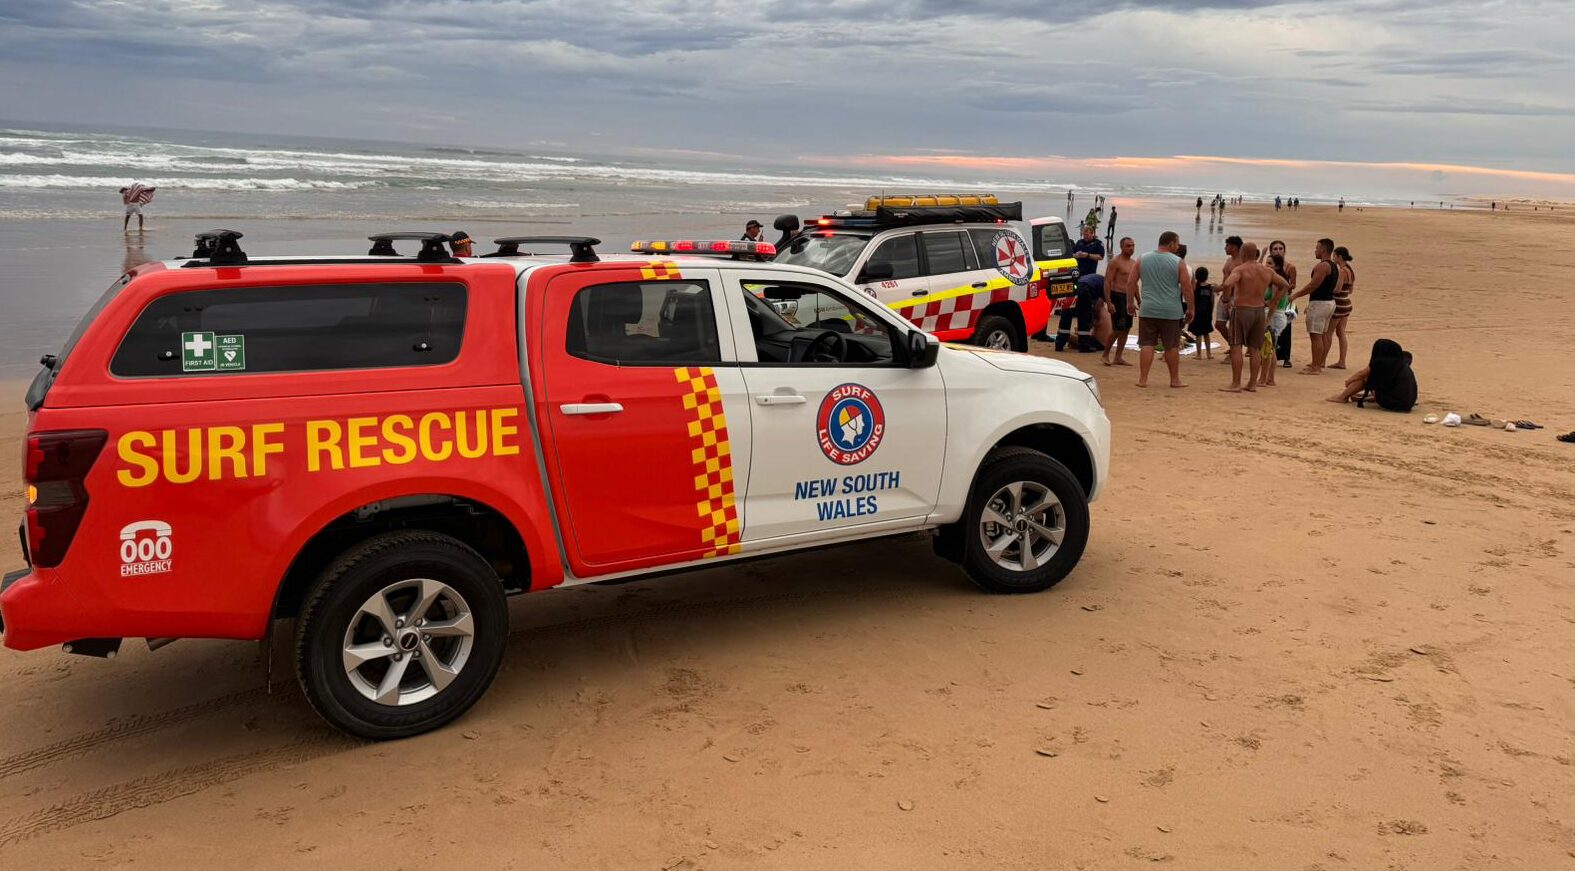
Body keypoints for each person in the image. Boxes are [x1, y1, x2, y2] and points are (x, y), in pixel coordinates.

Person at [1218, 242, 1290, 393]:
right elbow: (1285, 284)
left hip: (1242, 310)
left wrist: (1225, 299)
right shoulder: (1266, 271)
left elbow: (1228, 284)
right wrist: (1274, 301)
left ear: (1243, 254)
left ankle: (1236, 383)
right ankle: (1252, 383)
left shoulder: (1240, 269)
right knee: (1255, 348)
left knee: (1236, 346)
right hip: (1259, 311)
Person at [1129, 231, 1193, 388]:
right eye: (1177, 244)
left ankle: (1143, 379)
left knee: (1147, 344)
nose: (1178, 247)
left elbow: (1131, 282)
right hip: (1171, 311)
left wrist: (1129, 302)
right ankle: (1174, 380)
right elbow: (1186, 287)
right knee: (1171, 346)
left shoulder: (1142, 258)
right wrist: (1191, 308)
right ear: (1171, 244)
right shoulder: (1178, 262)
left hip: (1148, 309)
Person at [1288, 238, 1340, 374]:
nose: (1315, 250)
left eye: (1317, 248)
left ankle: (1316, 367)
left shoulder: (1322, 266)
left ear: (1323, 250)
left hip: (1321, 303)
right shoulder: (1334, 266)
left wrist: (1295, 295)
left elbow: (1313, 285)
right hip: (1329, 302)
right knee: (1322, 334)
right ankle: (1318, 362)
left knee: (1315, 335)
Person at [1103, 236, 1138, 367]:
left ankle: (1118, 356)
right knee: (1118, 328)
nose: (1131, 248)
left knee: (1126, 328)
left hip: (1128, 298)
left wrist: (1138, 300)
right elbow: (1107, 282)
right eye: (1128, 246)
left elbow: (1134, 284)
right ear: (1121, 247)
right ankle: (1105, 354)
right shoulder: (1115, 262)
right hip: (1117, 296)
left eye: (1133, 245)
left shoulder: (1134, 263)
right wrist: (1109, 302)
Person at [1215, 236, 1244, 356]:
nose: (1225, 248)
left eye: (1227, 246)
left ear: (1234, 247)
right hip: (1224, 295)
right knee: (1219, 324)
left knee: (1234, 326)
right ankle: (1233, 346)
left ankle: (1235, 350)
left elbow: (1234, 283)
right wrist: (1218, 288)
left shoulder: (1241, 263)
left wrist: (1228, 300)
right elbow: (1226, 281)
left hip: (1234, 298)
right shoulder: (1229, 260)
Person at [1329, 246, 1356, 369]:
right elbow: (1350, 290)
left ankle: (1321, 360)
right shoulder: (1350, 270)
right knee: (1341, 332)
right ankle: (1342, 361)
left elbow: (1337, 289)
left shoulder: (1342, 271)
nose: (1333, 258)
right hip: (1346, 303)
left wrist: (1326, 290)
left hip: (1339, 305)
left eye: (1334, 256)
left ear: (1339, 257)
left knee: (1328, 333)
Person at [1190, 266, 1216, 360]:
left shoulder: (1195, 288)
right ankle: (1209, 353)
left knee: (1198, 334)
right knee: (1206, 333)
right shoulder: (1210, 288)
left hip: (1197, 313)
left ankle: (1199, 354)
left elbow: (1192, 300)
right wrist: (1211, 311)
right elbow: (1212, 300)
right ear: (1206, 276)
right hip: (1207, 313)